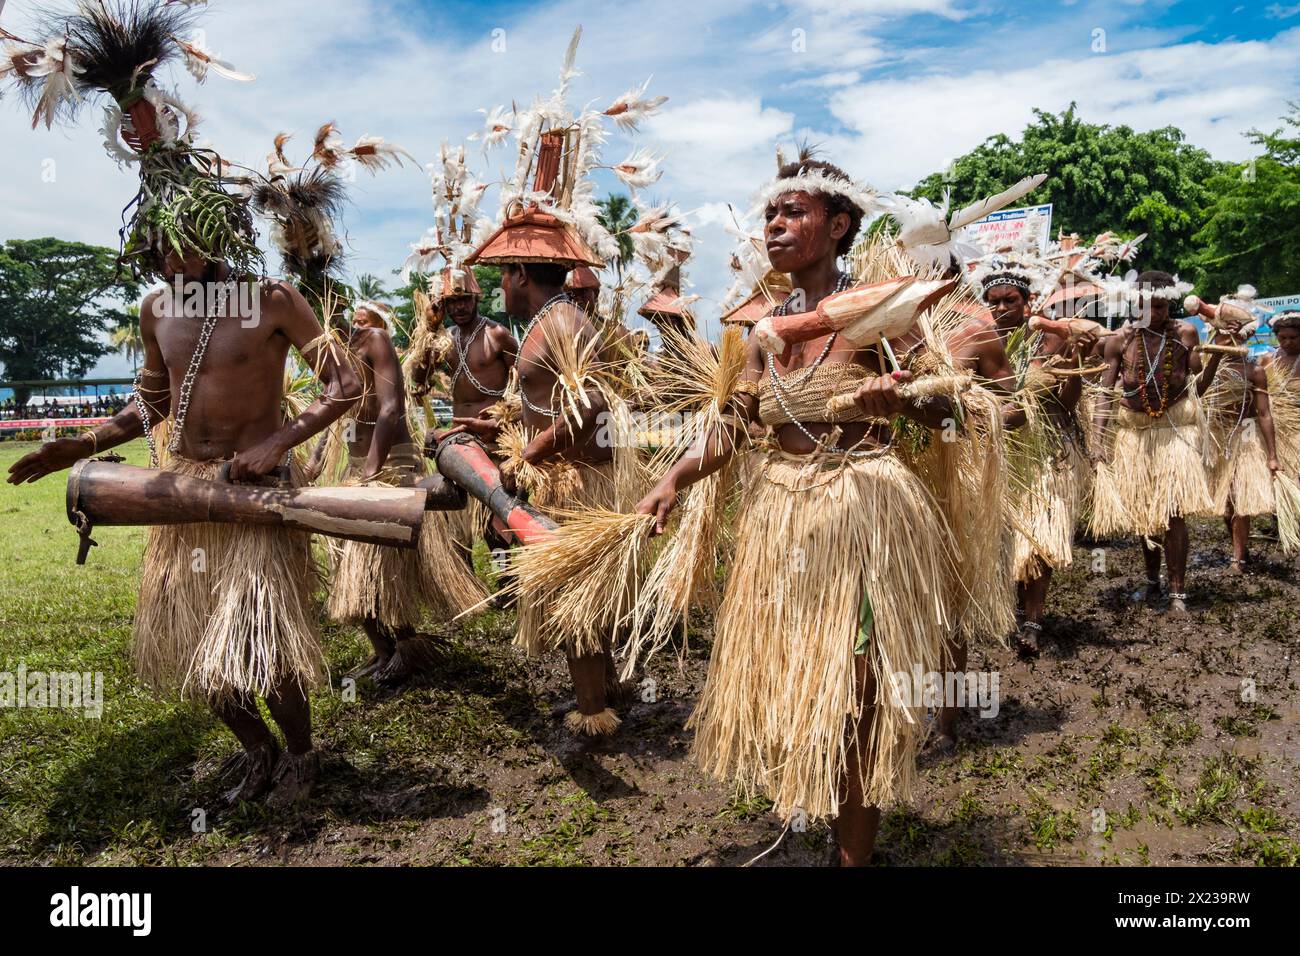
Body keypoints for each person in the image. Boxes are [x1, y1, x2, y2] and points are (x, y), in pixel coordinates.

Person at [636, 156, 955, 865]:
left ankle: (855, 856)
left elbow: (946, 407)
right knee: (807, 680)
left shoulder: (879, 309)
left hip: (864, 508)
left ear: (838, 225)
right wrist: (676, 478)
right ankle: (821, 806)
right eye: (770, 215)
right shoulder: (762, 331)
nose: (774, 226)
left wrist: (902, 398)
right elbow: (731, 428)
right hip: (783, 514)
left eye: (794, 213)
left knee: (862, 685)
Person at [321, 300, 484, 687]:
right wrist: (318, 462)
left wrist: (373, 473)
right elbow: (335, 415)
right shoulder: (336, 354)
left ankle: (407, 647)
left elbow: (391, 409)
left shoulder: (376, 342)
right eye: (353, 320)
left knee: (387, 563)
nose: (357, 324)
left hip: (390, 464)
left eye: (364, 320)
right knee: (352, 566)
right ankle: (383, 651)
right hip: (360, 465)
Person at [1090, 272, 1235, 613]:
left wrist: (1215, 356)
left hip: (1175, 430)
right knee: (1145, 512)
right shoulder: (1120, 340)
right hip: (1135, 432)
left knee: (1173, 512)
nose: (1156, 313)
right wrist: (1097, 441)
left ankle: (1178, 592)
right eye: (1147, 306)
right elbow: (1104, 395)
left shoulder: (1185, 333)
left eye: (1161, 305)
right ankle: (1152, 580)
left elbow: (1197, 388)